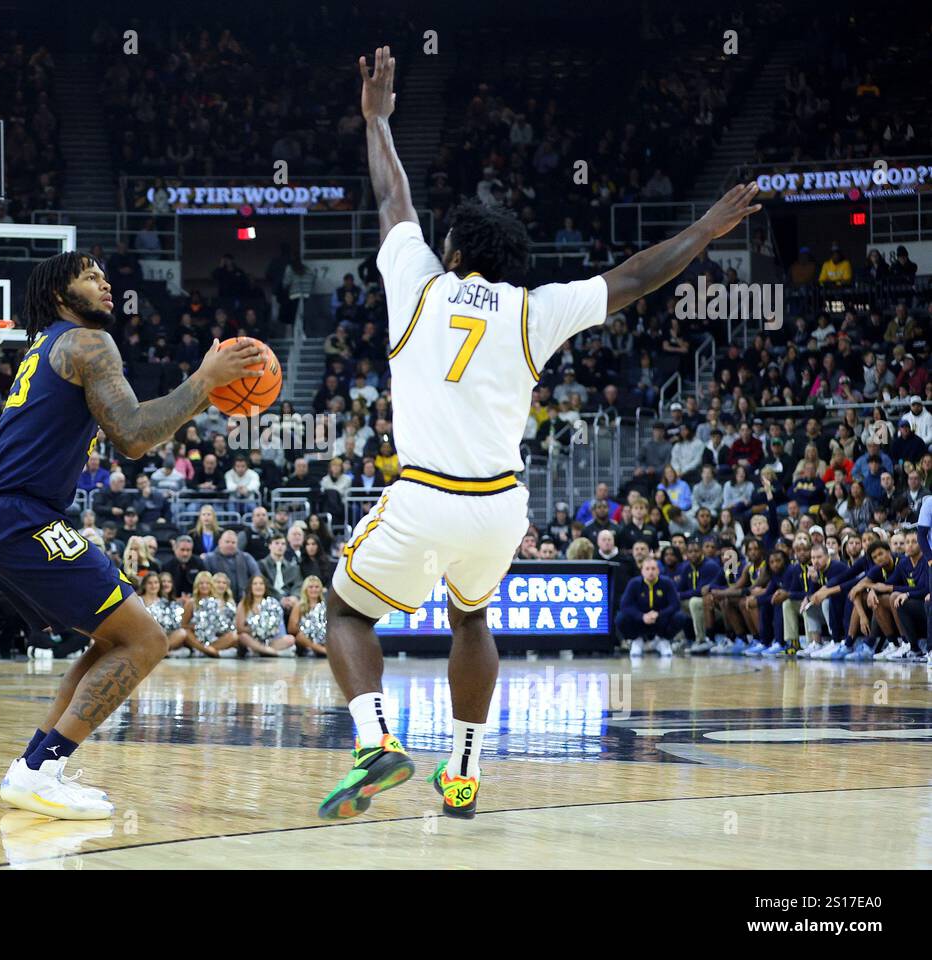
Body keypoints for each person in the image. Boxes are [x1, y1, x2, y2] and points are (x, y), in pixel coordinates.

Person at [318, 46, 761, 823]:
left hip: (424, 495)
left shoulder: (417, 283)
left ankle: (374, 740)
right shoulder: (533, 309)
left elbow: (393, 196)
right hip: (499, 509)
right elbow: (634, 277)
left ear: (452, 254)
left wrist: (378, 121)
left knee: (346, 612)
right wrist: (706, 227)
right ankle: (462, 772)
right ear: (512, 265)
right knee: (472, 617)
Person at [0, 250, 260, 820]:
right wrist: (204, 382)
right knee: (147, 641)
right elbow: (133, 435)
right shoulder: (88, 342)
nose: (104, 283)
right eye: (89, 276)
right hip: (18, 514)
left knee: (112, 639)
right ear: (59, 294)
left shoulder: (50, 345)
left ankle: (33, 770)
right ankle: (42, 770)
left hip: (4, 516)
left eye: (105, 274)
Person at [618, 558, 681, 657]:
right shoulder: (634, 583)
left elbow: (675, 604)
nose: (650, 572)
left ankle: (663, 640)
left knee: (680, 617)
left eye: (653, 569)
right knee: (620, 618)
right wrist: (641, 616)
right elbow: (624, 605)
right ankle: (636, 641)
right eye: (647, 569)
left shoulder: (667, 582)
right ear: (642, 571)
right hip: (640, 621)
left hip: (660, 620)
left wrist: (659, 614)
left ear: (658, 570)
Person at [180, 570, 239, 658]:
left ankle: (207, 651)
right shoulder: (191, 603)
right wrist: (196, 626)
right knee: (185, 633)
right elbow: (183, 626)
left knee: (234, 636)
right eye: (201, 583)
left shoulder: (217, 602)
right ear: (197, 585)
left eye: (207, 583)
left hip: (214, 638)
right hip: (197, 639)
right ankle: (209, 651)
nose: (204, 586)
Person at [235, 574, 295, 657]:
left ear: (265, 587)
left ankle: (261, 651)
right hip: (252, 640)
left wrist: (268, 630)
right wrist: (258, 629)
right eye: (255, 584)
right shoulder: (243, 604)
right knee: (242, 637)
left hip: (271, 640)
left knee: (290, 639)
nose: (258, 586)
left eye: (261, 584)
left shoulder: (273, 603)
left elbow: (280, 628)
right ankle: (271, 652)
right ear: (250, 587)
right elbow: (240, 628)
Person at [290, 575, 328, 656]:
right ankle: (324, 651)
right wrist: (309, 631)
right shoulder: (299, 606)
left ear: (321, 589)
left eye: (317, 587)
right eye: (310, 587)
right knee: (300, 636)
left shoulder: (325, 606)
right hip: (305, 641)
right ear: (305, 589)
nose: (314, 589)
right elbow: (291, 629)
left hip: (323, 638)